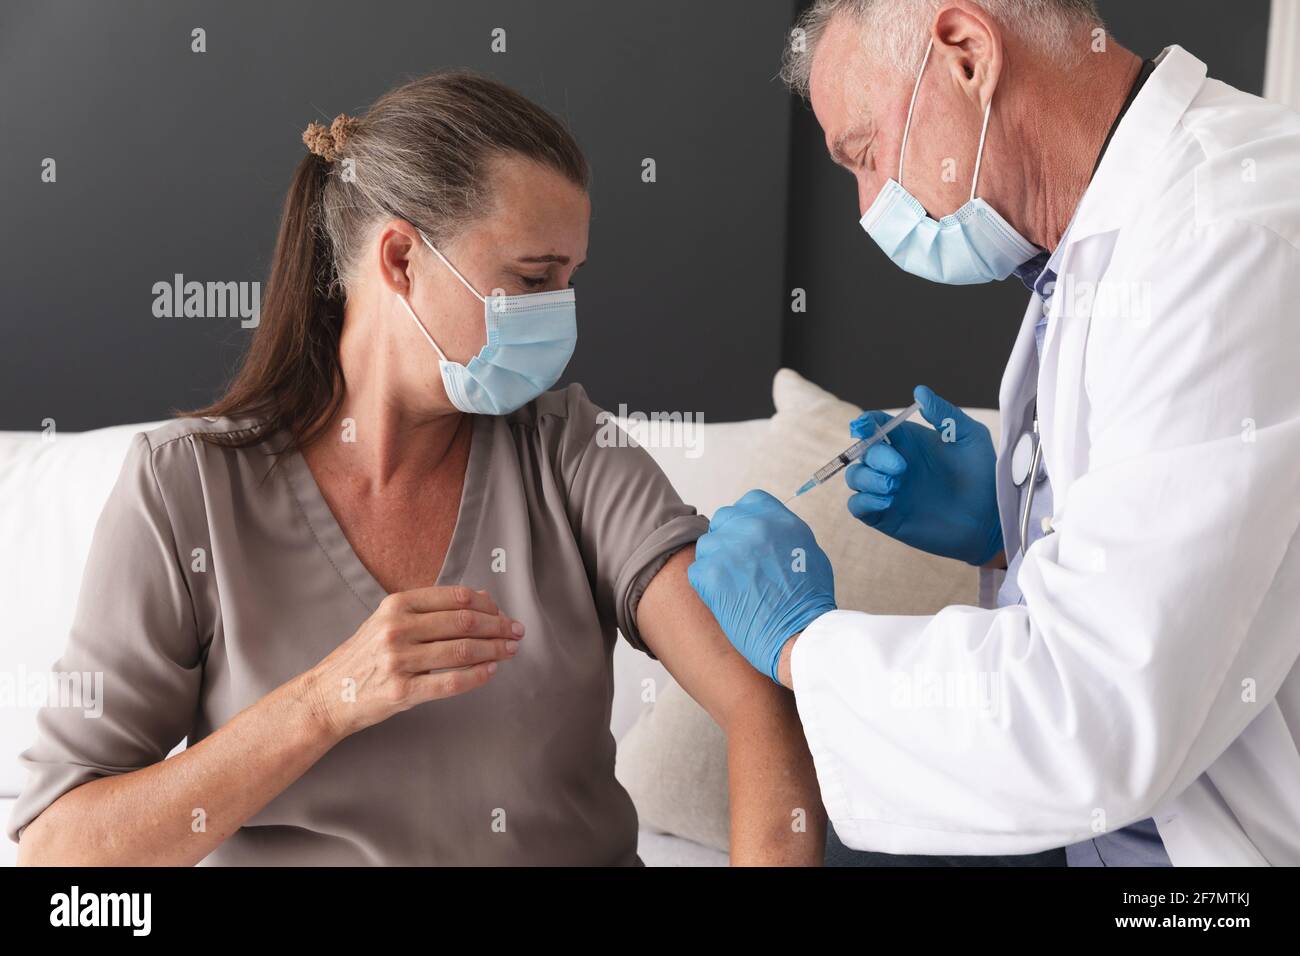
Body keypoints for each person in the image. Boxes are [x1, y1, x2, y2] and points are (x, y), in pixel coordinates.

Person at [8, 71, 825, 865]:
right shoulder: (185, 490)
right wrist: (326, 702)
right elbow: (58, 849)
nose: (559, 315)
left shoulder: (569, 450)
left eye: (570, 282)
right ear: (400, 260)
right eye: (531, 279)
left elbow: (755, 701)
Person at [688, 0, 1300, 865]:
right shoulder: (1106, 246)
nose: (869, 209)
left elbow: (1094, 717)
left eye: (865, 156)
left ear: (967, 55)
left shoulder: (1225, 239)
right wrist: (1009, 539)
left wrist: (801, 641)